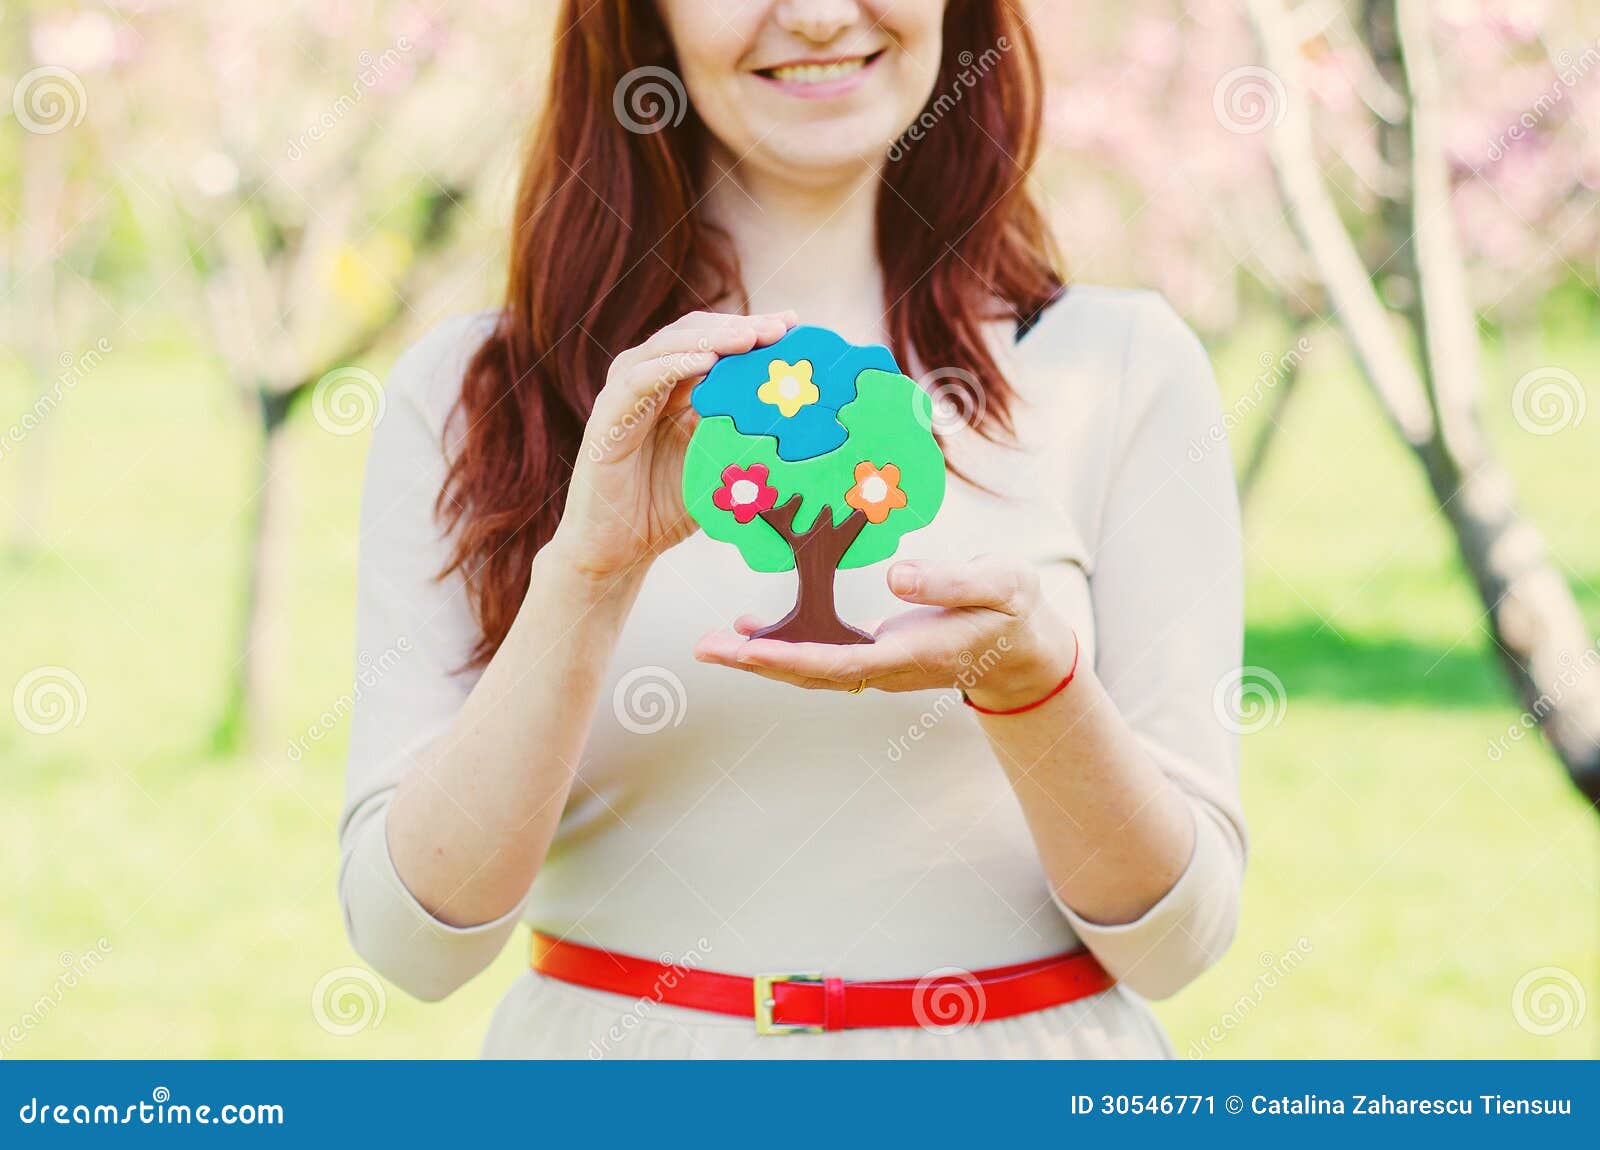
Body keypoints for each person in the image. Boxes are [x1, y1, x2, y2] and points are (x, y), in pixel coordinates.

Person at [340, 0, 1244, 1058]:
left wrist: (1034, 690)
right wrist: (584, 576)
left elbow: (1178, 945)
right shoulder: (480, 390)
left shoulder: (1115, 365)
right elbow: (413, 944)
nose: (817, 16)